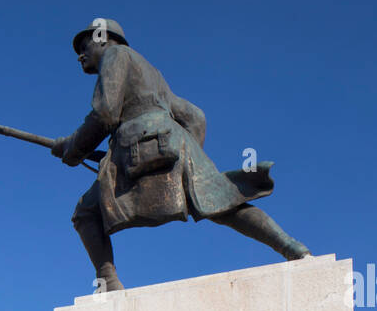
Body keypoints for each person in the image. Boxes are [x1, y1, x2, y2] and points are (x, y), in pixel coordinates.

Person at [51, 18, 311, 291]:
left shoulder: (115, 56)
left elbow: (105, 113)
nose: (80, 54)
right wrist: (191, 158)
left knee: (86, 212)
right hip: (173, 144)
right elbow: (195, 116)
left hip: (139, 148)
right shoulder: (153, 73)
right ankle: (291, 247)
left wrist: (73, 147)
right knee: (220, 204)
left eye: (85, 45)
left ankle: (108, 283)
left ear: (104, 38)